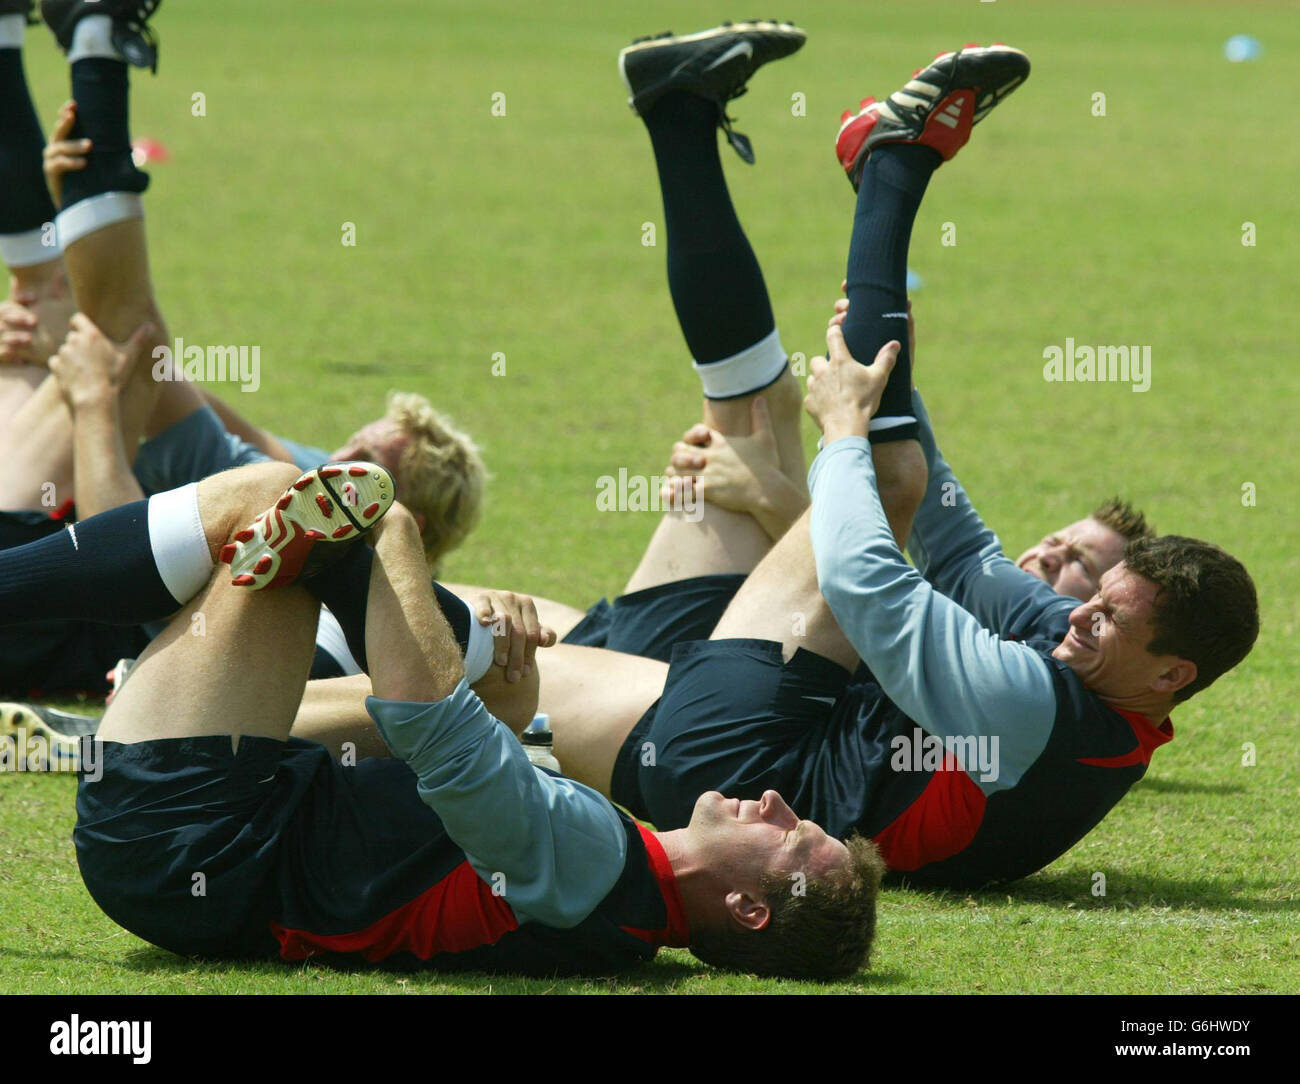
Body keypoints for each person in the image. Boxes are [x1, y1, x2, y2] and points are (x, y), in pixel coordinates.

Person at [0, 457, 885, 979]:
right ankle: (135, 688)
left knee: (294, 503)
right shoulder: (622, 894)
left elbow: (431, 729)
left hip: (184, 838)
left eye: (792, 833)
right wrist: (493, 678)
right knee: (490, 687)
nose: (775, 799)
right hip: (225, 824)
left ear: (748, 909)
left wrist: (392, 539)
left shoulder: (601, 865)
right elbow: (450, 767)